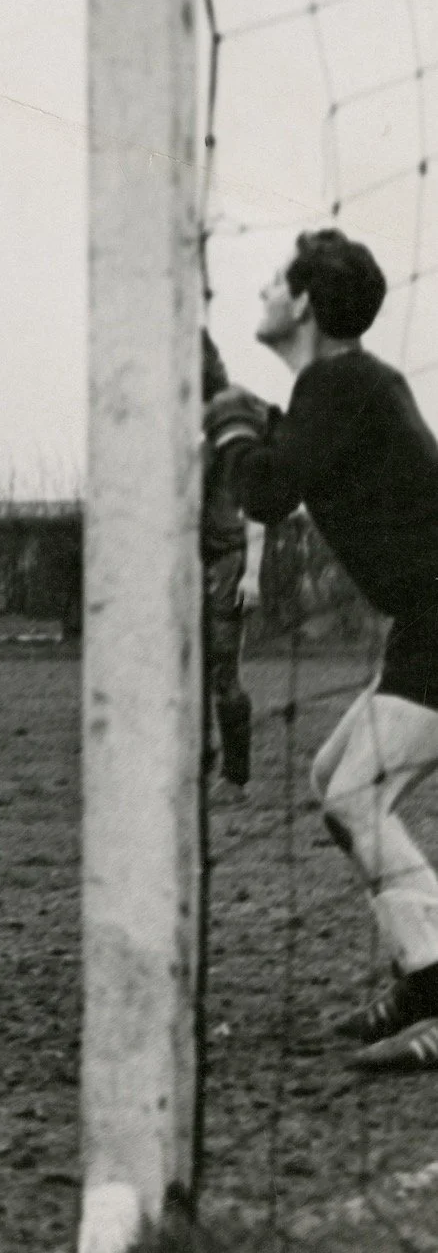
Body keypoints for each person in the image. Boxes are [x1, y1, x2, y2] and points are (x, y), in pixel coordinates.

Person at [208, 227, 438, 1073]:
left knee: (353, 797)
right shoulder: (342, 388)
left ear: (304, 302)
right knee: (333, 781)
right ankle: (419, 978)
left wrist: (230, 423)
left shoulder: (341, 383)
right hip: (427, 625)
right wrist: (236, 409)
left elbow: (267, 490)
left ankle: (436, 985)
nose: (264, 291)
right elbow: (287, 455)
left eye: (277, 280)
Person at [201, 331, 264, 801]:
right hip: (180, 564)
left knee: (223, 668)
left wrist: (253, 570)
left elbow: (256, 499)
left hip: (224, 559)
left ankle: (235, 777)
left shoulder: (230, 410)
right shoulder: (166, 415)